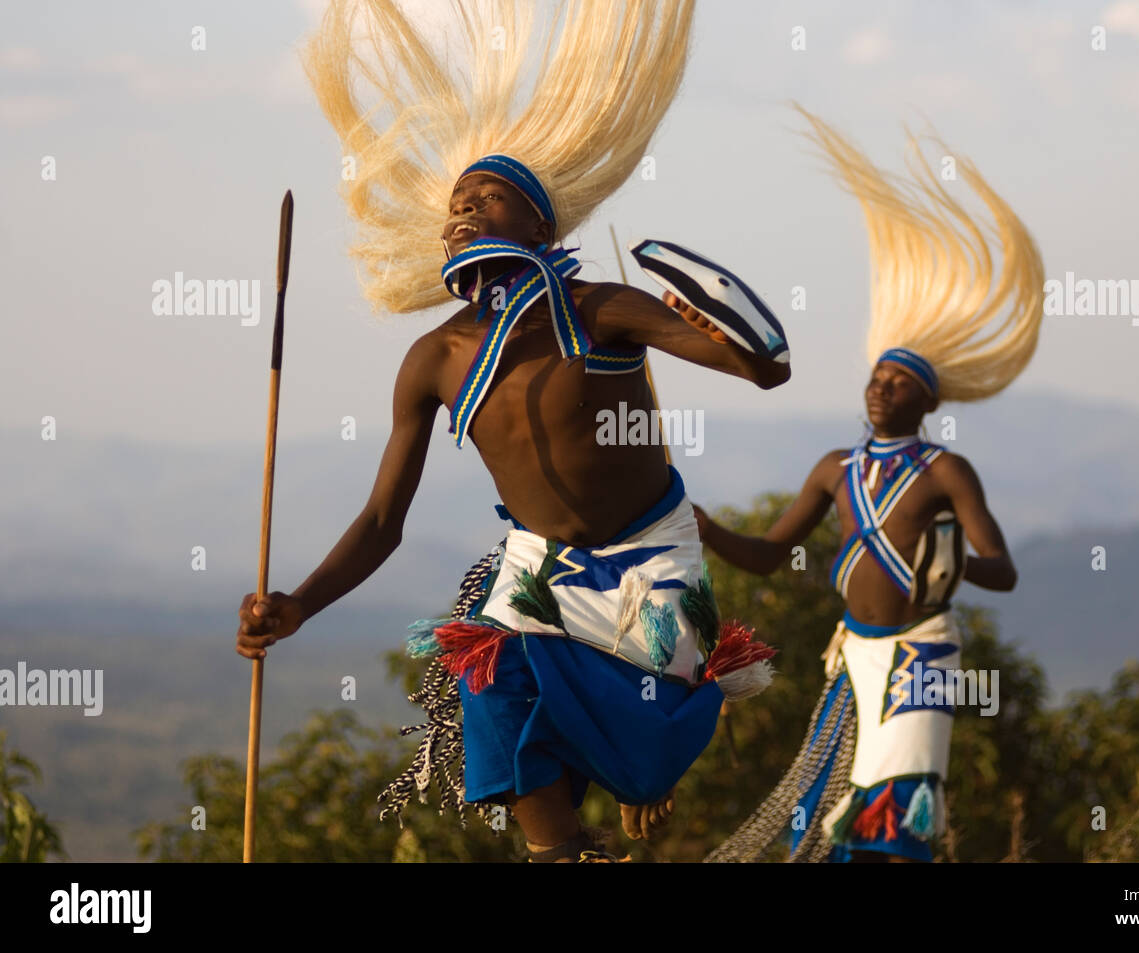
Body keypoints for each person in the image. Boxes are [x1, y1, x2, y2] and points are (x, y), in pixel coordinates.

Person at [234, 0, 786, 863]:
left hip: (648, 558)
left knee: (639, 759)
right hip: (537, 566)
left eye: (486, 196)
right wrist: (298, 604)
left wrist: (718, 315)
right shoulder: (435, 359)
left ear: (540, 226)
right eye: (456, 201)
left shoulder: (599, 308)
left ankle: (619, 793)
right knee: (492, 671)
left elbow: (760, 367)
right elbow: (385, 518)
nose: (461, 209)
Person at [702, 107, 1044, 863]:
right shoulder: (836, 467)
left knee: (897, 807)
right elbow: (766, 554)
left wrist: (947, 571)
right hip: (853, 651)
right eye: (877, 377)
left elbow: (1004, 569)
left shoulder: (945, 471)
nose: (882, 389)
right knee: (836, 800)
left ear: (928, 401)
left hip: (921, 650)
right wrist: (700, 525)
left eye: (899, 383)